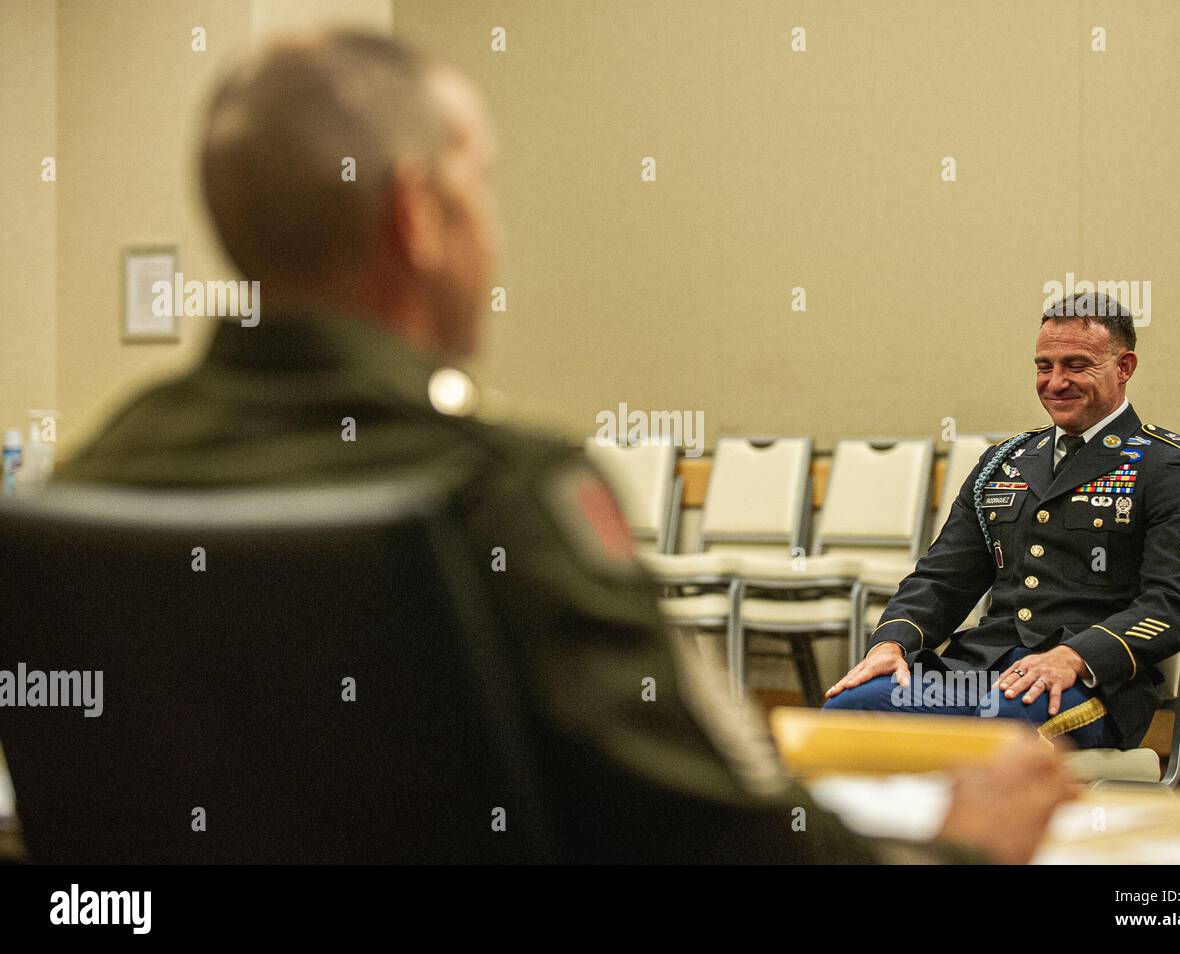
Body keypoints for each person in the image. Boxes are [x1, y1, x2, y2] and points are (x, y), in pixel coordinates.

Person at [58, 30, 1073, 862]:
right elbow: (714, 842)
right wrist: (956, 847)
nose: (491, 232)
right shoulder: (495, 499)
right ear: (417, 215)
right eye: (480, 187)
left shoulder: (86, 485)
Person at [826, 292, 1180, 753]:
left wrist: (1076, 656)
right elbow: (942, 579)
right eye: (1043, 366)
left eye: (1076, 365)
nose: (1055, 382)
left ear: (1125, 367)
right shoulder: (1004, 462)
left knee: (1004, 727)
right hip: (981, 671)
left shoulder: (1168, 466)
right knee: (853, 708)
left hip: (1089, 683)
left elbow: (1176, 601)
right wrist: (890, 645)